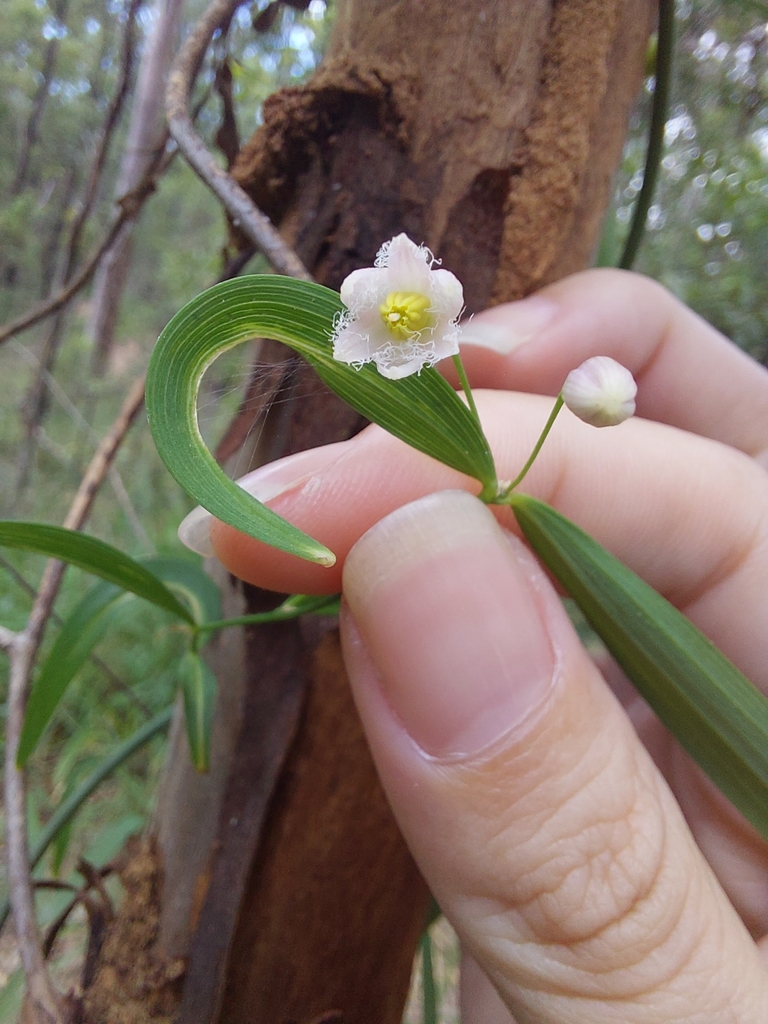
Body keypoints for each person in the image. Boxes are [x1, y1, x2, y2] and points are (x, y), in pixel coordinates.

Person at [203, 269, 768, 1022]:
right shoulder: (393, 324)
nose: (401, 311)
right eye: (397, 308)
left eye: (410, 308)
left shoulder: (441, 339)